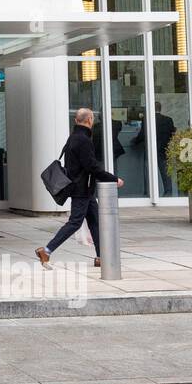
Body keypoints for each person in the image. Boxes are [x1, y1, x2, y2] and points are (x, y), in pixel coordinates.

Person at [36, 107, 123, 268]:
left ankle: (101, 257)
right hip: (81, 189)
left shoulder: (74, 137)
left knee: (95, 222)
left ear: (76, 121)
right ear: (90, 120)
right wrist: (113, 179)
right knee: (75, 222)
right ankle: (47, 250)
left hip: (84, 189)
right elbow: (91, 167)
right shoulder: (83, 140)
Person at [132, 101, 177, 195]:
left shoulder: (147, 119)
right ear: (160, 109)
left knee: (149, 173)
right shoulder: (168, 119)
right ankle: (168, 193)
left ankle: (150, 194)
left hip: (150, 150)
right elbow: (172, 134)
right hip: (164, 150)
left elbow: (142, 135)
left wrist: (134, 142)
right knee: (165, 174)